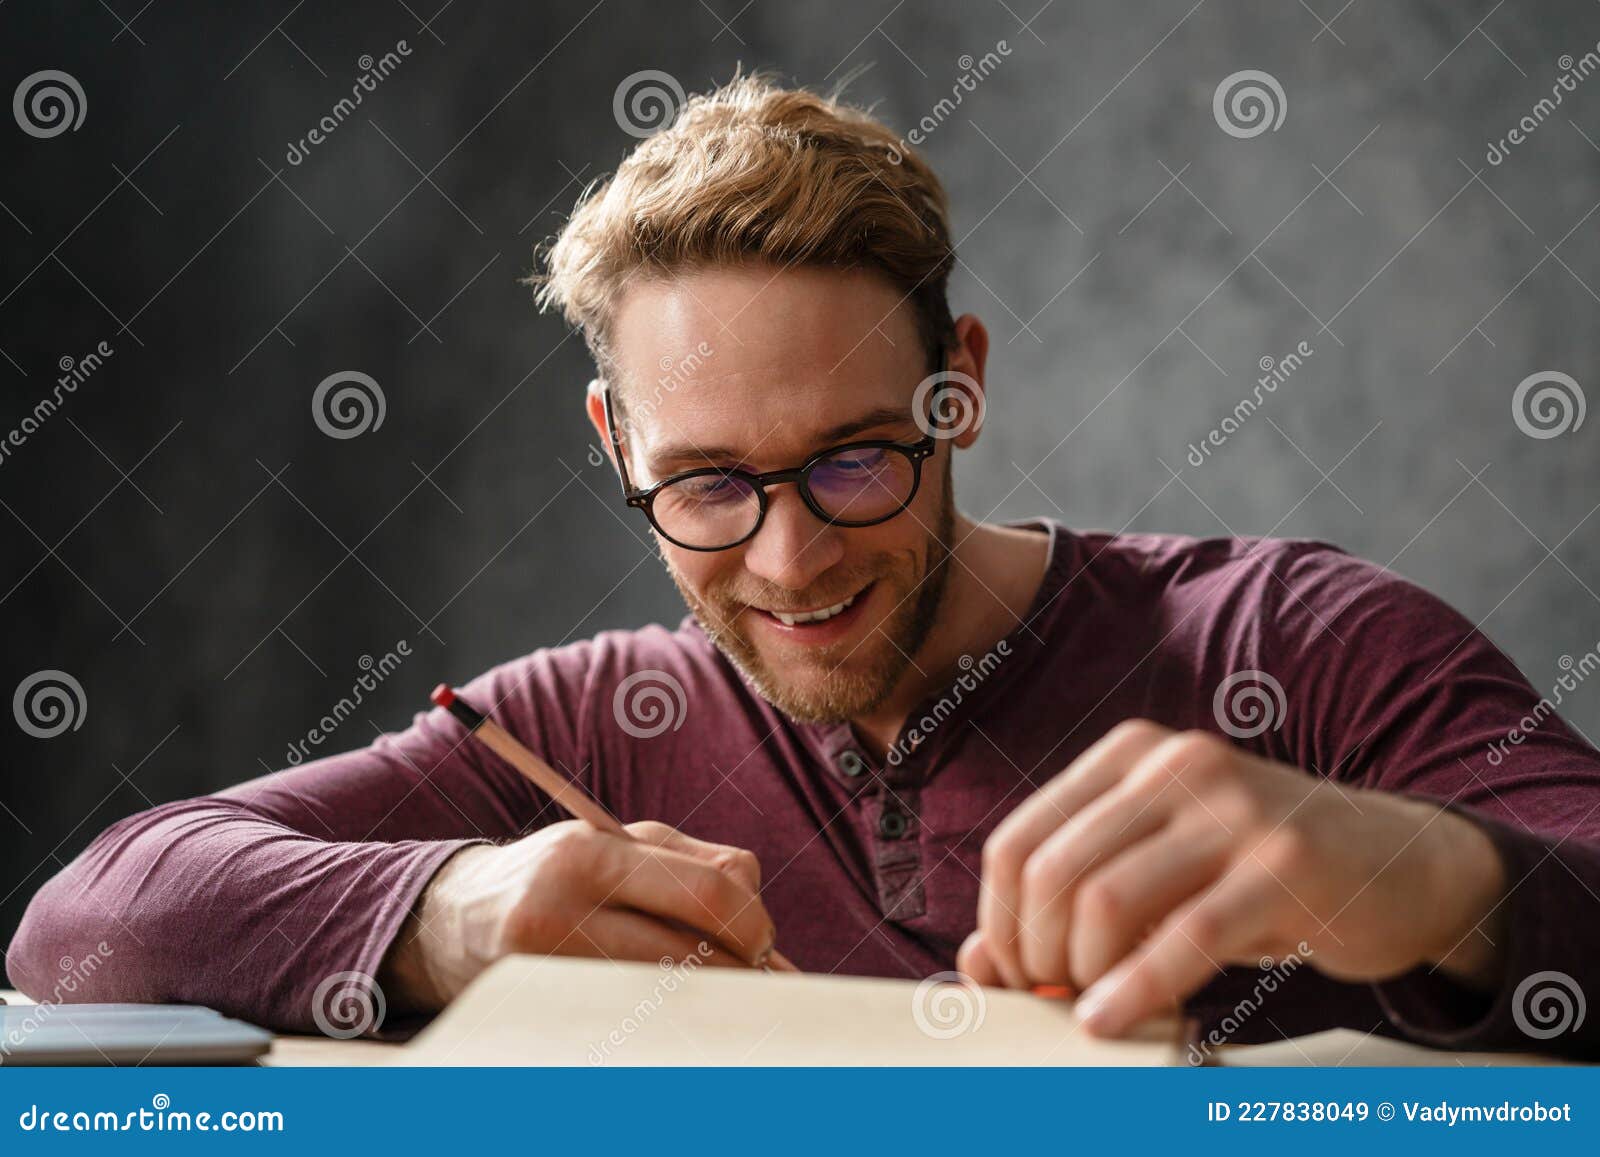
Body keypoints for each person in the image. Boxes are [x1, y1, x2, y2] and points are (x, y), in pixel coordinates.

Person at [10, 75, 1600, 1057]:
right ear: (613, 444)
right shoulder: (573, 736)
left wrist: (1418, 872)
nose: (790, 557)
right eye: (705, 482)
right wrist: (459, 910)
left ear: (958, 380)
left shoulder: (1288, 645)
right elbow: (80, 926)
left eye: (857, 456)